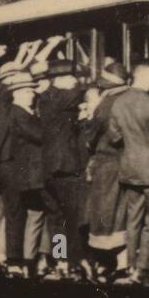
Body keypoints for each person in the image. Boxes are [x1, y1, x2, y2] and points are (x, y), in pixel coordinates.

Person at [108, 59, 149, 285]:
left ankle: (129, 265)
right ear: (143, 75)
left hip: (130, 168)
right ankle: (143, 269)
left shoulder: (118, 103)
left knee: (133, 219)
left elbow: (114, 137)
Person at [37, 60, 90, 280]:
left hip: (48, 168)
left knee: (56, 219)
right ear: (59, 79)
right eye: (71, 77)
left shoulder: (46, 97)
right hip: (65, 166)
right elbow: (81, 92)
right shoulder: (59, 96)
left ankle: (60, 259)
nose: (74, 81)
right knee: (72, 217)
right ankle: (74, 263)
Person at [0, 72, 46, 277]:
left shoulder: (22, 112)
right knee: (18, 214)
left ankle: (24, 260)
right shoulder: (19, 114)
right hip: (19, 173)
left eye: (32, 91)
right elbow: (39, 135)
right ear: (17, 93)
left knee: (24, 214)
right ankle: (16, 261)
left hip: (23, 173)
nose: (32, 95)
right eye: (28, 91)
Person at [82, 62, 131, 281]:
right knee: (124, 212)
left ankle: (97, 262)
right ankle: (122, 262)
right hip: (131, 163)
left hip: (107, 163)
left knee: (103, 214)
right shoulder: (134, 99)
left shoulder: (105, 104)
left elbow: (90, 137)